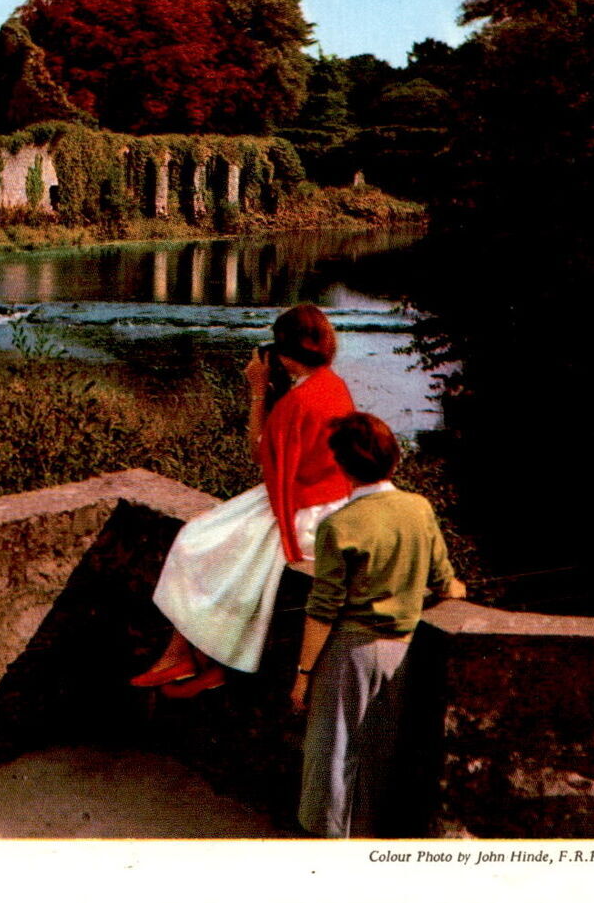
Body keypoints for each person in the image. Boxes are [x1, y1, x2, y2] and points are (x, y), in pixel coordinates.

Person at [130, 304, 355, 697]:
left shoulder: (295, 404)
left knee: (200, 541)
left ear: (283, 355)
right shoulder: (333, 385)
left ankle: (197, 657)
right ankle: (189, 654)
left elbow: (258, 452)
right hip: (328, 499)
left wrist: (256, 393)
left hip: (304, 509)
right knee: (213, 542)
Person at [293, 412, 466, 838]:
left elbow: (323, 607)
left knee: (332, 751)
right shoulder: (419, 508)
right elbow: (446, 582)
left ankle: (327, 840)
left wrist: (303, 675)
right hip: (402, 648)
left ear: (343, 466)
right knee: (380, 753)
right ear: (393, 459)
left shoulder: (338, 525)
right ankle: (368, 839)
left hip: (351, 647)